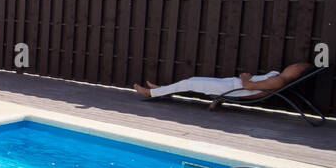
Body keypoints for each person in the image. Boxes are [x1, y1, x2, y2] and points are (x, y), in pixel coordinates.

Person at [133, 62, 311, 101]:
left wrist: (245, 77)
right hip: (229, 85)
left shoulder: (278, 82)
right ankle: (162, 89)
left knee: (190, 82)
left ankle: (152, 92)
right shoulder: (279, 78)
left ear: (296, 73)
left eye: (296, 67)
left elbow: (248, 87)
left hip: (232, 88)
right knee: (191, 81)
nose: (293, 65)